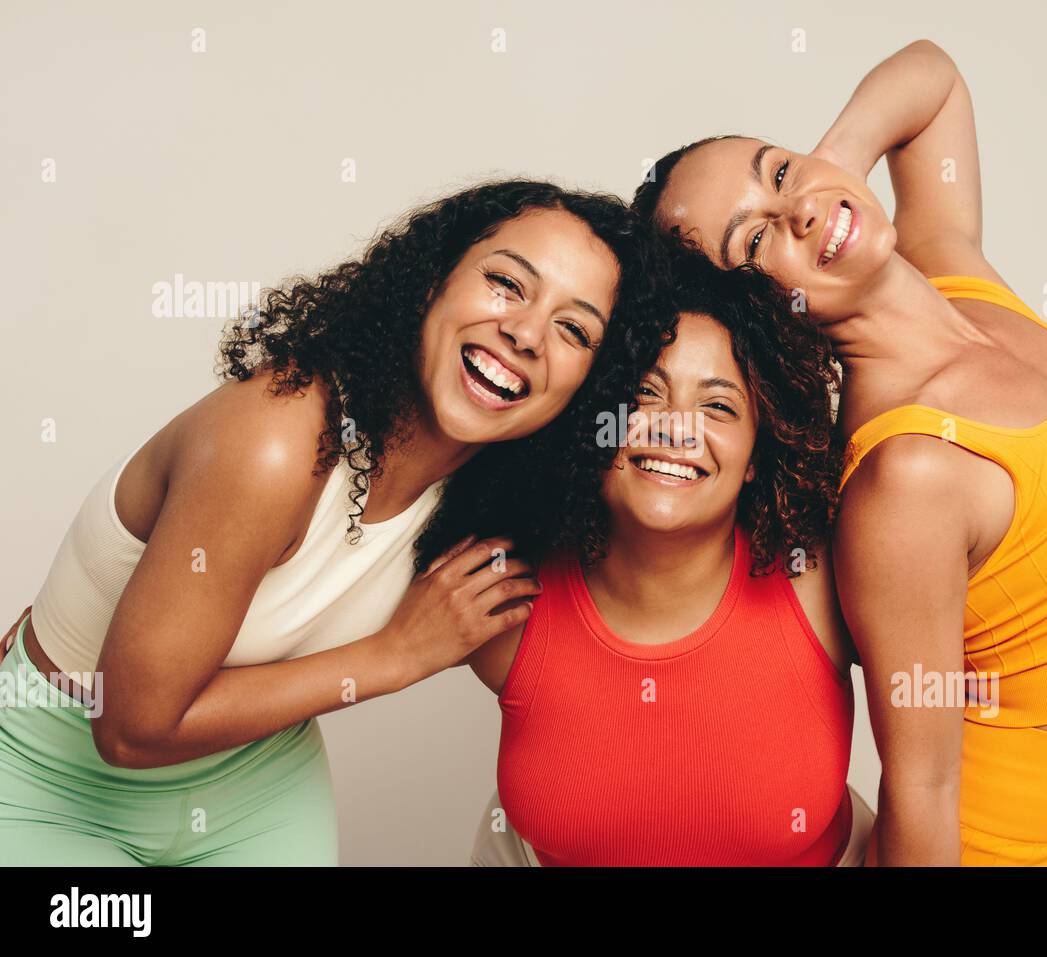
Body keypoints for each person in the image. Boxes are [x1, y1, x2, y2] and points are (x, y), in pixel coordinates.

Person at [629, 40, 1047, 865]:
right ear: (763, 314)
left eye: (777, 171)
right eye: (756, 243)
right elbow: (922, 788)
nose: (795, 211)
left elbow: (933, 78)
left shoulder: (953, 267)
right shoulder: (908, 474)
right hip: (1034, 852)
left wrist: (827, 173)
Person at [0, 179, 675, 866]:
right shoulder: (274, 441)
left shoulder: (489, 497)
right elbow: (131, 729)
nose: (527, 334)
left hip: (253, 783)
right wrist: (397, 655)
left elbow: (608, 669)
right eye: (506, 281)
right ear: (433, 279)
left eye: (574, 329)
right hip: (53, 782)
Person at [426, 244, 871, 866]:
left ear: (755, 458)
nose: (676, 428)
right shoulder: (500, 599)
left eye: (718, 406)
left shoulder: (825, 581)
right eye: (644, 393)